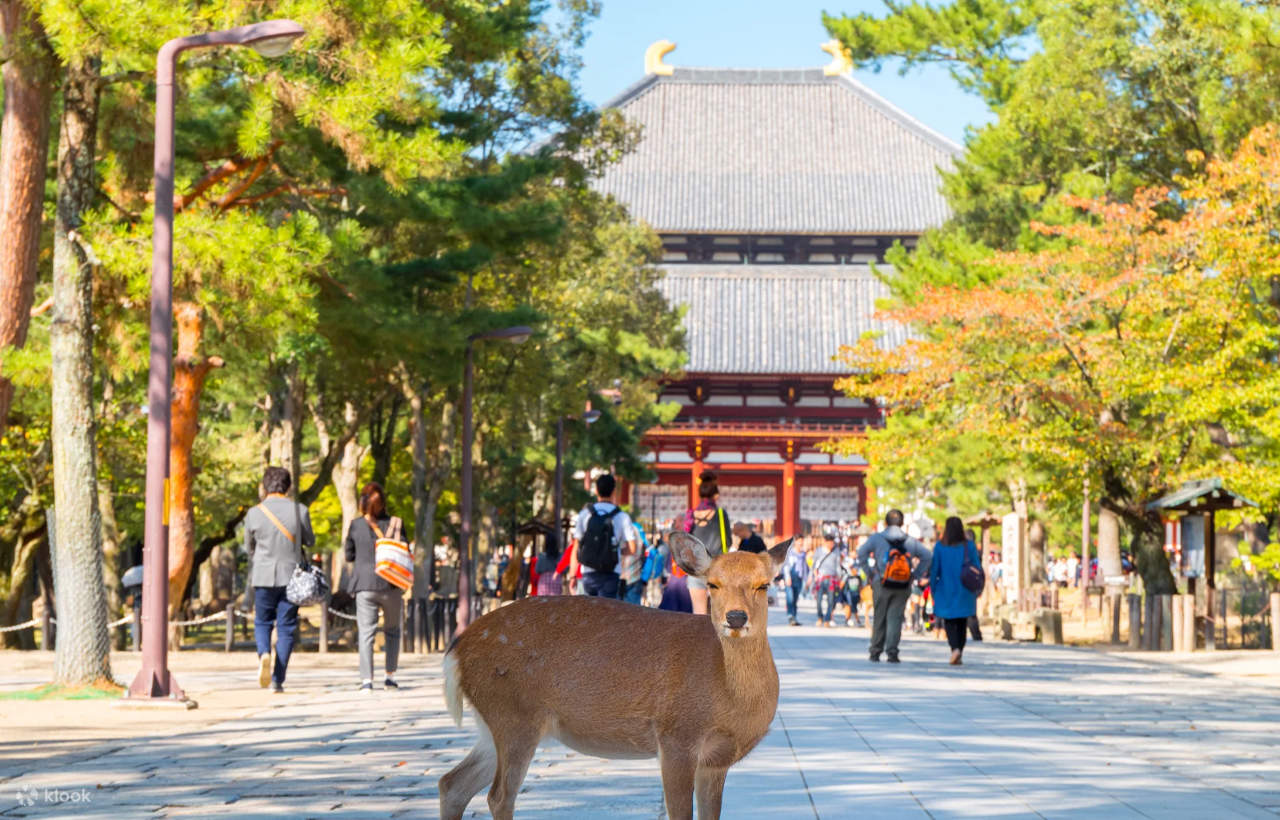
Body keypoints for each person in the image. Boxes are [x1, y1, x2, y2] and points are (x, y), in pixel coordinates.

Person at [243, 466, 315, 693]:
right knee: (286, 628)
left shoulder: (254, 513)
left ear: (265, 486)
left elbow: (248, 548)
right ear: (288, 486)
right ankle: (277, 680)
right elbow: (310, 541)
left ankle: (264, 652)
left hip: (263, 575)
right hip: (292, 577)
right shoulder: (300, 510)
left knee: (263, 622)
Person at [344, 481, 409, 693]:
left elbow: (348, 555)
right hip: (391, 584)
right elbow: (405, 550)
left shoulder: (355, 525)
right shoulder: (396, 523)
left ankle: (366, 681)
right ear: (382, 503)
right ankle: (390, 677)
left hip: (364, 585)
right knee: (392, 631)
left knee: (366, 633)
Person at [857, 509, 931, 663]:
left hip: (881, 581)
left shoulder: (877, 539)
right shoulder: (910, 541)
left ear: (885, 522)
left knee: (880, 617)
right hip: (903, 584)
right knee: (895, 617)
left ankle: (875, 650)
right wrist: (914, 575)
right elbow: (927, 556)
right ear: (902, 523)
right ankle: (892, 652)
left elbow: (861, 553)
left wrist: (870, 573)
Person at [573, 473, 637, 599]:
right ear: (614, 491)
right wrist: (617, 550)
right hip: (611, 572)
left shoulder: (585, 514)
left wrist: (572, 575)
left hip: (588, 571)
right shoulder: (621, 517)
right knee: (607, 614)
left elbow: (576, 546)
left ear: (596, 490)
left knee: (589, 613)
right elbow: (632, 548)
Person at [930, 516, 981, 665]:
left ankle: (954, 649)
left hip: (946, 588)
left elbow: (935, 570)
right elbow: (976, 566)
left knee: (950, 621)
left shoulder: (940, 547)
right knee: (962, 621)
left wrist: (933, 588)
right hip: (965, 588)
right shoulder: (969, 546)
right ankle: (959, 649)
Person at [681, 471, 732, 615]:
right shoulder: (721, 514)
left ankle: (699, 638)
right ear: (715, 495)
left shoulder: (690, 515)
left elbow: (686, 541)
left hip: (696, 568)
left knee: (699, 613)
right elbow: (728, 541)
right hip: (717, 568)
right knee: (718, 613)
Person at [812, 534, 845, 627]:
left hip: (832, 578)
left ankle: (827, 619)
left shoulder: (836, 551)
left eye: (832, 543)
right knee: (818, 600)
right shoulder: (818, 551)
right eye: (829, 543)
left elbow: (838, 566)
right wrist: (814, 576)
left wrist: (839, 578)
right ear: (825, 542)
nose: (831, 545)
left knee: (831, 601)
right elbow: (814, 565)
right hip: (820, 578)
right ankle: (820, 617)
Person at [781, 537, 810, 626]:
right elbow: (786, 565)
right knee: (790, 598)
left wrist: (807, 579)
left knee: (795, 599)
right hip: (790, 577)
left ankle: (794, 617)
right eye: (799, 541)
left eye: (802, 541)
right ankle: (790, 616)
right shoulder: (790, 553)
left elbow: (805, 567)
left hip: (799, 578)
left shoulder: (803, 554)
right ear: (795, 542)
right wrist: (787, 577)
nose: (800, 543)